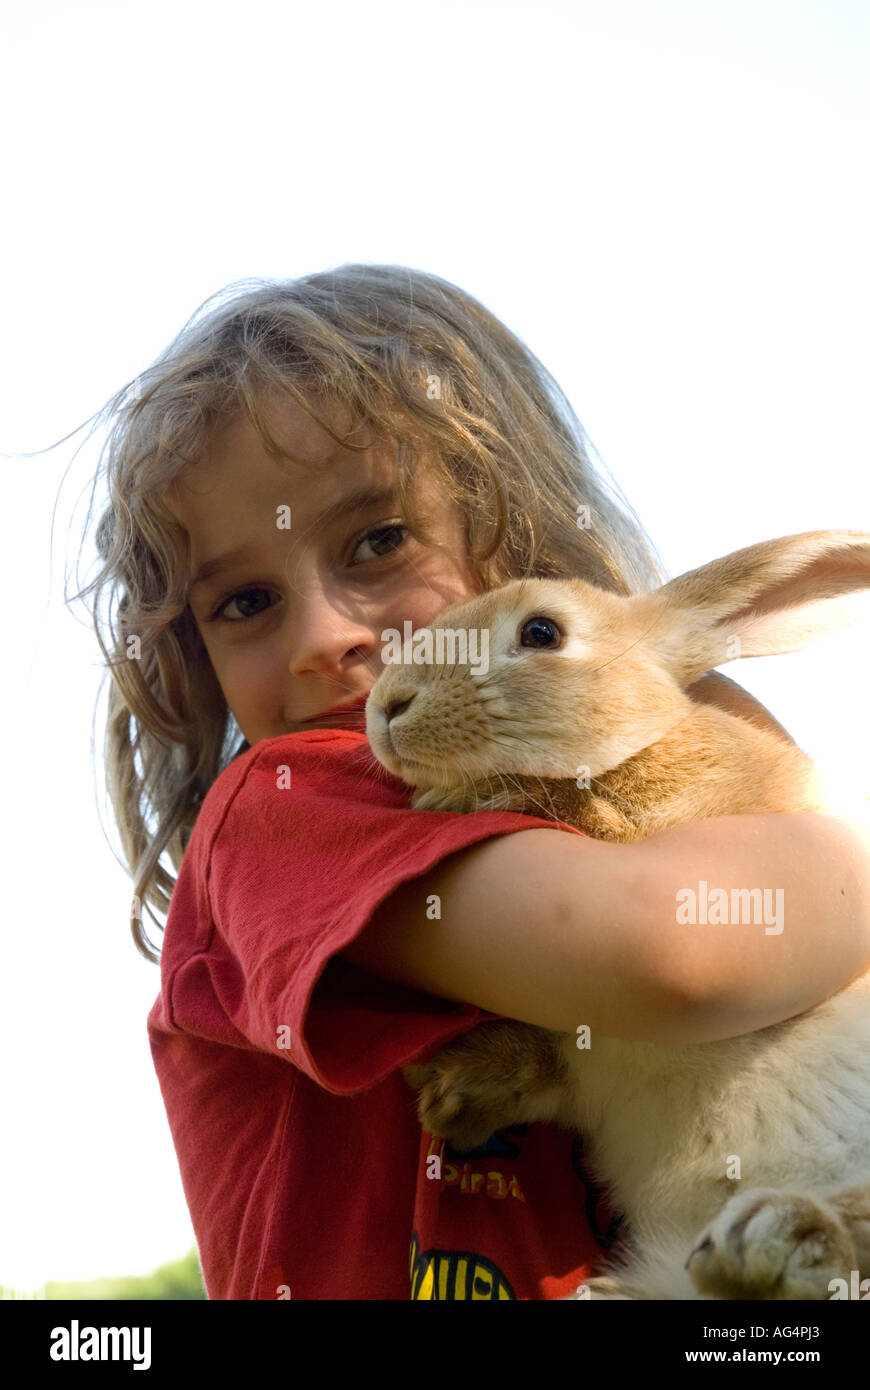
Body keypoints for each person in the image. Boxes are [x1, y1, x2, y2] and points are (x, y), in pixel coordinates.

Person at [75, 264, 870, 1300]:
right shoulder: (284, 807)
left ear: (510, 533)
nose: (326, 637)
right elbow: (673, 950)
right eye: (244, 603)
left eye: (379, 541)